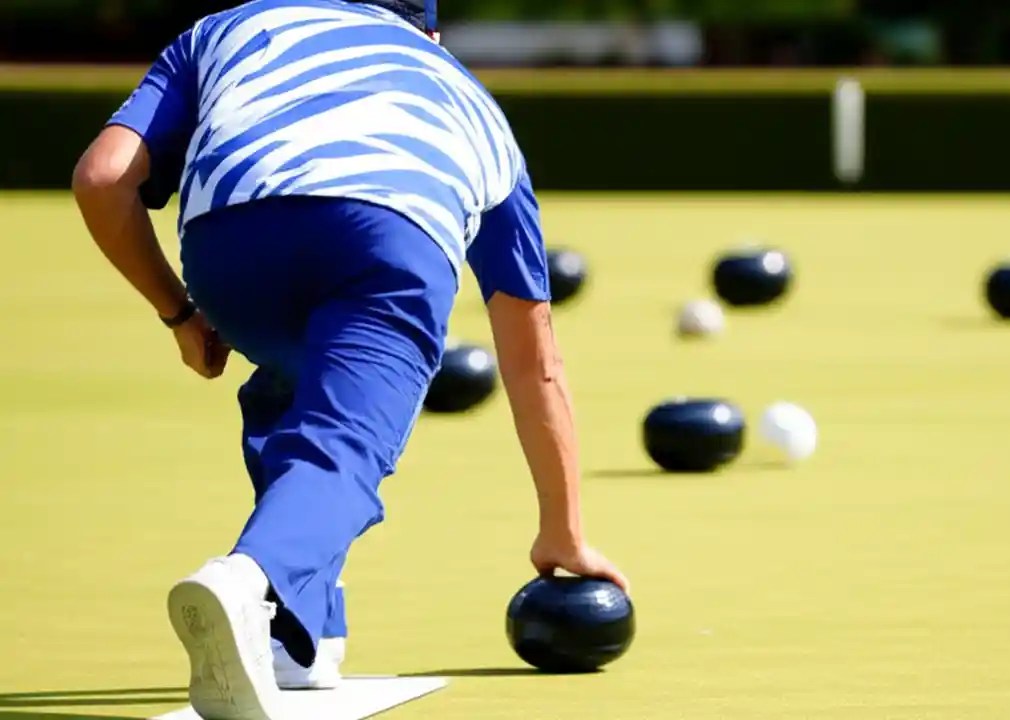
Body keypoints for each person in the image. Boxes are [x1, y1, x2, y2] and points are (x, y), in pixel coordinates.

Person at [71, 0, 630, 717]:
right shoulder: (467, 98)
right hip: (387, 238)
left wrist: (180, 313)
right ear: (429, 30)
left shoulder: (226, 29)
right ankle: (250, 580)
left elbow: (102, 177)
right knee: (345, 445)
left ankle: (300, 637)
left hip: (228, 244)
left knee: (292, 387)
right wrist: (564, 530)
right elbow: (534, 361)